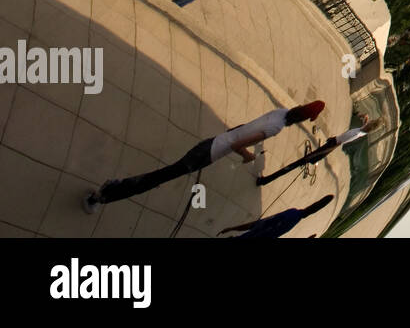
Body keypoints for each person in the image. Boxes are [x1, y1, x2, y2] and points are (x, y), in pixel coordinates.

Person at [83, 101, 326, 213]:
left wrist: (231, 141)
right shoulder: (276, 128)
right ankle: (105, 194)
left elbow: (240, 128)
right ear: (302, 120)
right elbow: (240, 142)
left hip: (210, 144)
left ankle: (108, 192)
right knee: (156, 179)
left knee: (161, 176)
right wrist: (247, 155)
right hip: (208, 154)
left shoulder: (279, 111)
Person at [256, 115, 373, 186]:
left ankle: (265, 180)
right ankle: (266, 180)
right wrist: (365, 118)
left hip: (330, 146)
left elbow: (341, 141)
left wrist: (318, 154)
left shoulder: (356, 133)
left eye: (369, 123)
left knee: (295, 164)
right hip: (332, 143)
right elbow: (364, 124)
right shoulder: (362, 131)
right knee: (297, 163)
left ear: (368, 127)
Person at [217, 195, 335, 238]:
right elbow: (253, 225)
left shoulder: (291, 216)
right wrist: (232, 229)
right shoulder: (291, 218)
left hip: (288, 218)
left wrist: (232, 228)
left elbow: (252, 225)